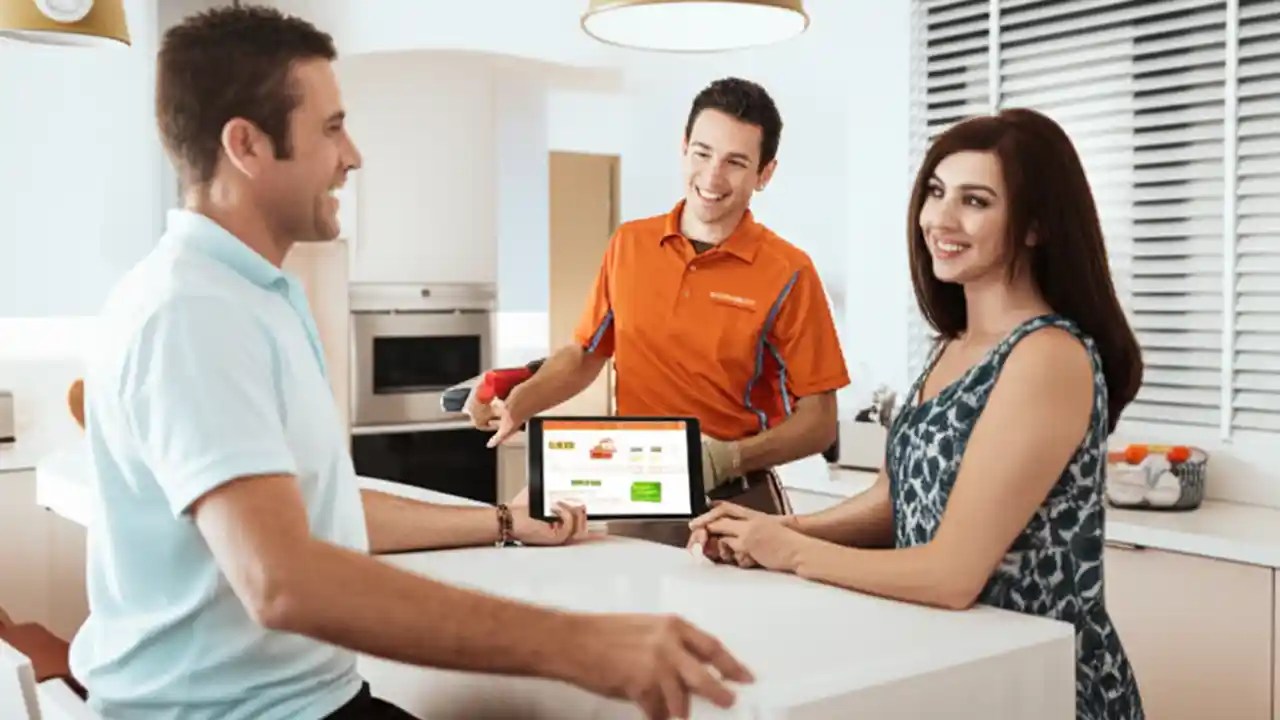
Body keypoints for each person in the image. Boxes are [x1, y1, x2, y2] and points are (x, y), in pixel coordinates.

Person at [71, 6, 752, 720]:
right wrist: (582, 643)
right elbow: (282, 580)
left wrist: (502, 522)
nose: (353, 155)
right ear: (246, 144)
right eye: (331, 128)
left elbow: (318, 517)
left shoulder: (254, 298)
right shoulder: (194, 314)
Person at [688, 108, 1147, 719]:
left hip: (1035, 683)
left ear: (1036, 225)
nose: (940, 219)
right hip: (957, 663)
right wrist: (778, 532)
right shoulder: (952, 348)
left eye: (975, 201)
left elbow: (953, 574)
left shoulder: (1048, 356)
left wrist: (791, 552)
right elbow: (895, 501)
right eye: (935, 192)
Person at [469, 77, 851, 540]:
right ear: (684, 147)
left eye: (735, 162)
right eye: (703, 153)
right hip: (636, 494)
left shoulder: (790, 272)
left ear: (764, 174)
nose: (712, 177)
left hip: (737, 504)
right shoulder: (629, 244)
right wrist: (520, 401)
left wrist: (726, 458)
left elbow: (820, 422)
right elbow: (585, 354)